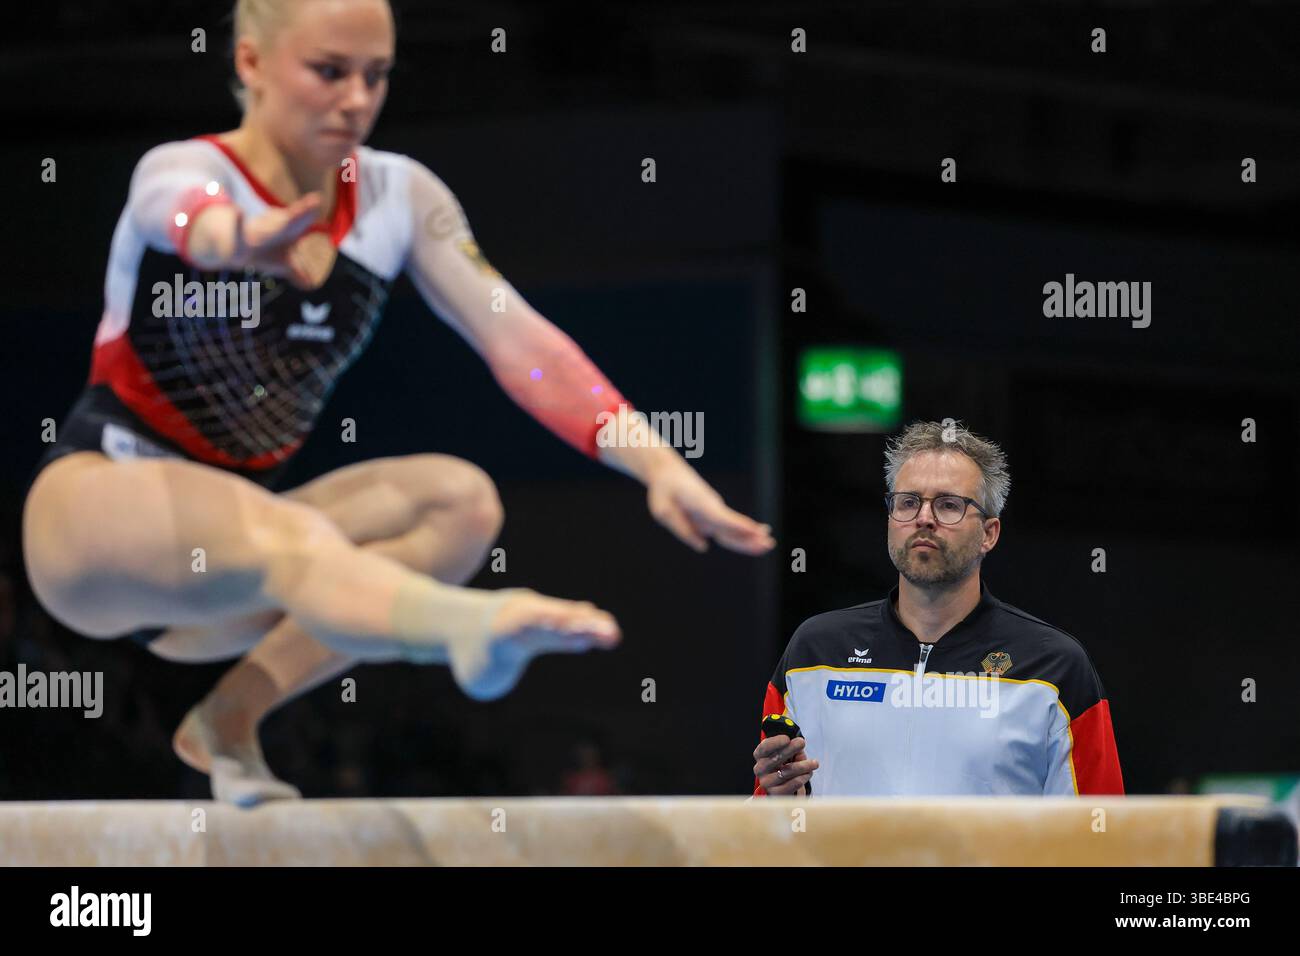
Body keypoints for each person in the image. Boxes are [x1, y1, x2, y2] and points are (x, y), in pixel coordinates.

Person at [22, 0, 775, 806]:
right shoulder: (185, 173)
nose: (357, 99)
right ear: (249, 63)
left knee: (460, 502)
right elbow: (181, 220)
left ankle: (228, 717)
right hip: (96, 523)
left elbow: (522, 344)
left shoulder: (398, 196)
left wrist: (657, 464)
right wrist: (240, 240)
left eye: (376, 75)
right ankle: (466, 629)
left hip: (230, 565)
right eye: (329, 72)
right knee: (294, 539)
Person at [752, 420, 1122, 797]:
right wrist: (779, 805)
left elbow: (1098, 839)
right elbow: (770, 828)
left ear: (989, 534)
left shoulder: (1054, 667)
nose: (923, 518)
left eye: (949, 505)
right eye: (908, 502)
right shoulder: (814, 651)